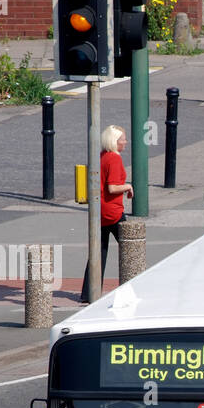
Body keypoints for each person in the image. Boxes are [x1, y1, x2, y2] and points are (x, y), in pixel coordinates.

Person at [80, 124, 134, 303]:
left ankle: (89, 293)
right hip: (113, 211)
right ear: (115, 141)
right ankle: (135, 288)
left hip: (100, 210)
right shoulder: (114, 159)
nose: (126, 141)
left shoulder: (102, 156)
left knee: (99, 251)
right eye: (123, 139)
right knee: (132, 249)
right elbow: (112, 187)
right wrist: (128, 186)